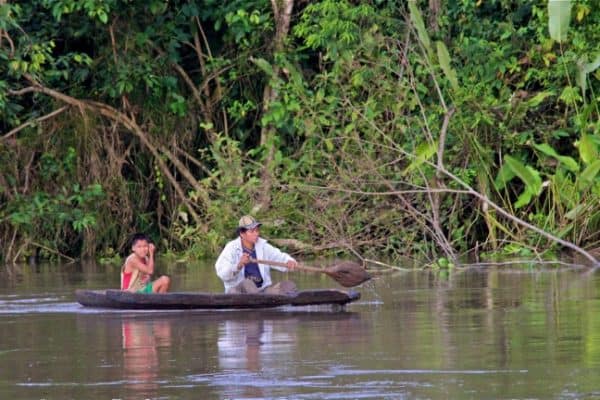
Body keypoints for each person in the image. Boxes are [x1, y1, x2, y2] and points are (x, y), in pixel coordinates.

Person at [215, 215, 298, 294]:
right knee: (247, 284)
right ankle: (259, 300)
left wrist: (289, 261)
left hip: (261, 291)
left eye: (257, 230)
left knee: (289, 286)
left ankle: (264, 300)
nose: (256, 233)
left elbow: (279, 257)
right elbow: (222, 273)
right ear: (242, 234)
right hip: (237, 292)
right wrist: (239, 265)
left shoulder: (263, 246)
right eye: (252, 231)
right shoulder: (231, 248)